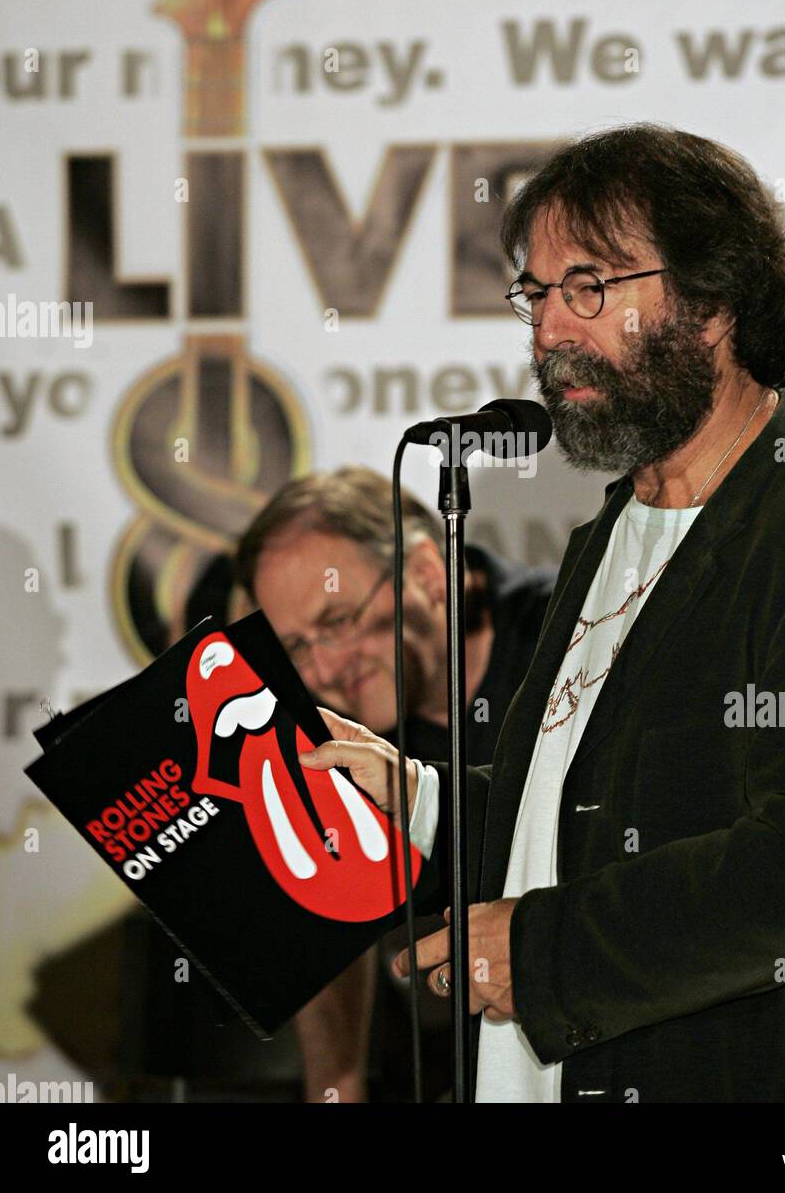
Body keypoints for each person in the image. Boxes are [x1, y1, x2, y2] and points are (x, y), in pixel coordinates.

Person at [298, 122, 785, 1103]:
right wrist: (422, 797)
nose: (549, 332)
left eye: (590, 287)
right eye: (536, 294)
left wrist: (545, 950)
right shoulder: (614, 532)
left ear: (712, 299)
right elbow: (594, 817)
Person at [235, 467, 556, 1101]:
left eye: (338, 620)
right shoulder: (334, 731)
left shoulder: (572, 633)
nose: (325, 668)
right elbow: (327, 919)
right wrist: (337, 1091)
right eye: (296, 646)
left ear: (430, 576)